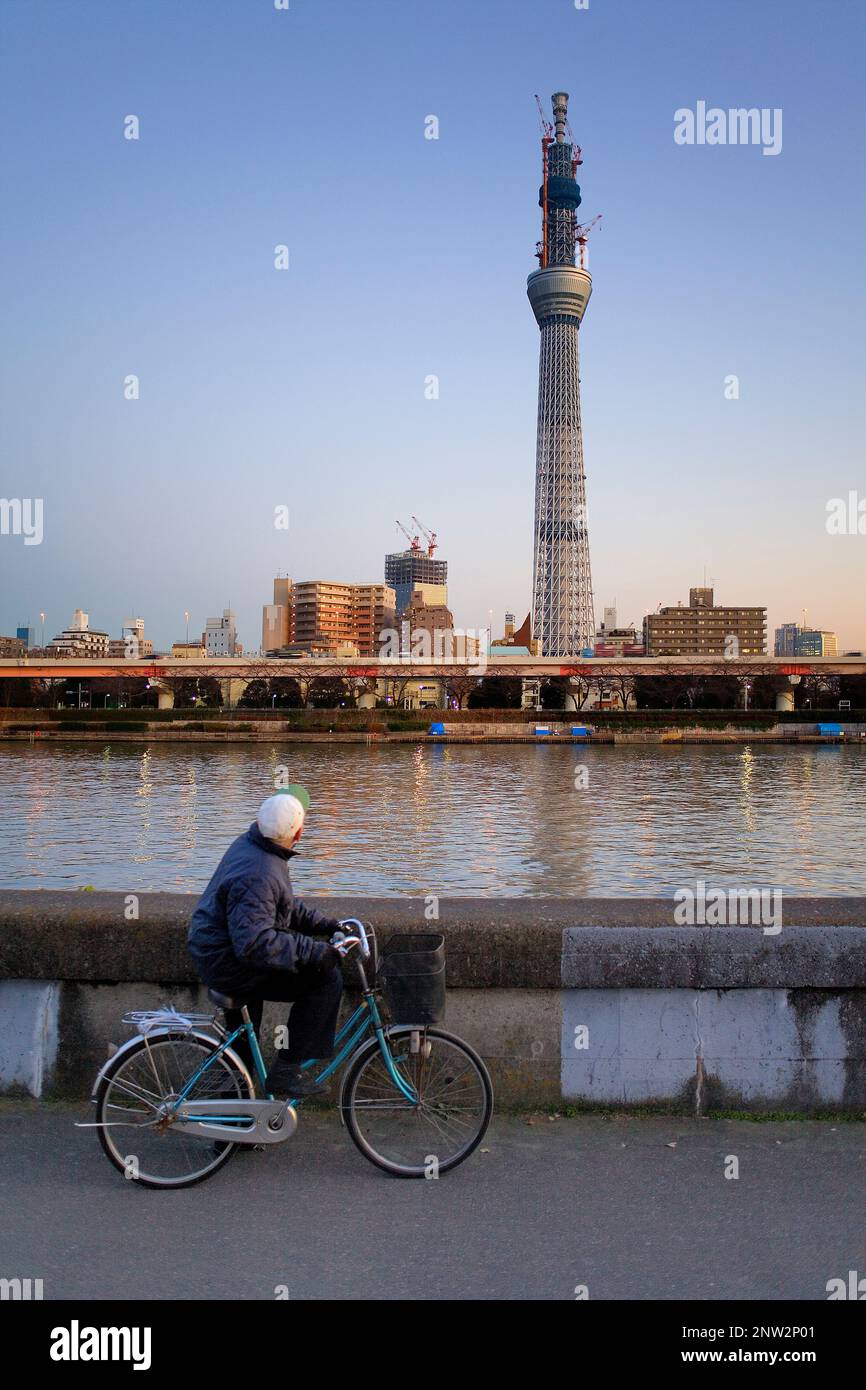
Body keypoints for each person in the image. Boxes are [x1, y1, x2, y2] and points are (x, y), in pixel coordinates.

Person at [187, 785, 343, 1098]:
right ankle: (286, 1071)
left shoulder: (253, 847)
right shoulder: (261, 870)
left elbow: (282, 906)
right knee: (325, 980)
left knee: (243, 1045)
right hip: (232, 963)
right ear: (297, 834)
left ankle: (230, 1132)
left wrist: (327, 925)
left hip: (219, 951)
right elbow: (255, 943)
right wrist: (314, 951)